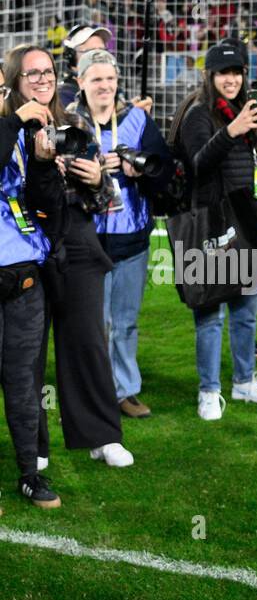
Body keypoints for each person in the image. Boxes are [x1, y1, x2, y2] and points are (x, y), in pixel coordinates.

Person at [12, 46, 135, 474]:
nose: (44, 79)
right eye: (33, 74)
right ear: (15, 80)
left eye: (48, 71)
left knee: (87, 343)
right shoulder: (8, 129)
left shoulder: (75, 123)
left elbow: (109, 202)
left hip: (78, 245)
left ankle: (102, 436)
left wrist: (100, 180)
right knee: (27, 354)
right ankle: (35, 443)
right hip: (26, 251)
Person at [172, 38, 257, 420]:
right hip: (207, 223)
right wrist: (231, 130)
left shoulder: (245, 109)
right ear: (211, 75)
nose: (231, 79)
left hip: (242, 221)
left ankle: (244, 382)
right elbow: (198, 163)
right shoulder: (199, 113)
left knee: (246, 311)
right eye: (224, 72)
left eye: (237, 72)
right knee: (209, 314)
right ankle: (208, 390)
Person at [75, 49, 171, 421]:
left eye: (111, 79)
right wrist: (91, 169)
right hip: (86, 238)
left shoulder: (137, 118)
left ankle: (125, 389)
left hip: (131, 237)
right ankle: (92, 390)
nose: (105, 86)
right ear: (81, 82)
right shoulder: (69, 121)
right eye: (97, 79)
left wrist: (139, 171)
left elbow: (166, 171)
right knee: (94, 323)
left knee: (125, 320)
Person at [0, 52, 65, 509]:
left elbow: (46, 208)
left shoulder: (28, 130)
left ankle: (30, 472)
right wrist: (15, 121)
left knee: (25, 383)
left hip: (24, 273)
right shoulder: (12, 124)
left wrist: (43, 165)